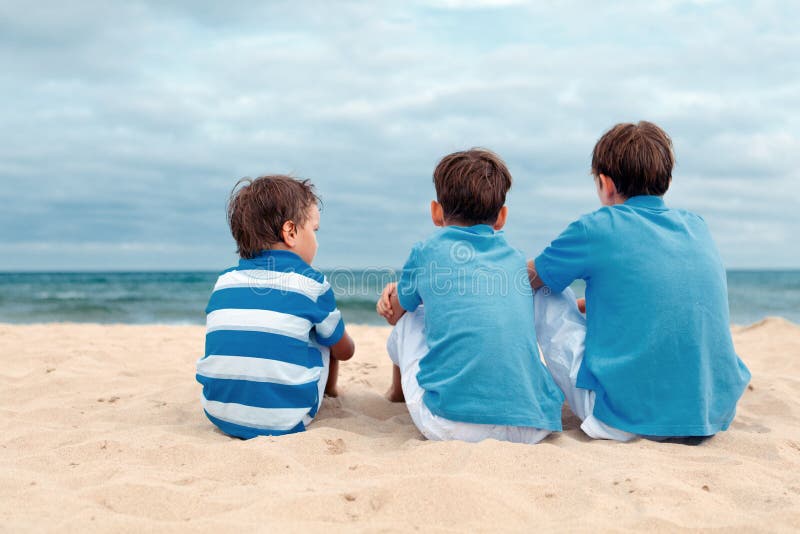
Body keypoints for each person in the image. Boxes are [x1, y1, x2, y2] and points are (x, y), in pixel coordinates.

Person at [529, 121, 751, 441]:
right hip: (708, 414)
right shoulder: (696, 226)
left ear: (605, 184)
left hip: (625, 418)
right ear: (667, 180)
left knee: (546, 291)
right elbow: (662, 293)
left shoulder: (599, 225)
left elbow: (531, 279)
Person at [377, 149, 564, 444]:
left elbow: (397, 312)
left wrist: (392, 298)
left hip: (451, 424)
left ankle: (396, 393)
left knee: (413, 315)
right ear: (501, 217)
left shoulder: (427, 251)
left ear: (436, 212)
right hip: (531, 425)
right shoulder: (516, 259)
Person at [196, 175, 355, 439]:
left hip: (218, 413)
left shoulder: (224, 282)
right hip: (286, 419)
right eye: (314, 231)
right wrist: (343, 342)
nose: (316, 241)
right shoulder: (312, 283)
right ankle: (331, 391)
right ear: (290, 232)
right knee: (325, 333)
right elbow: (345, 351)